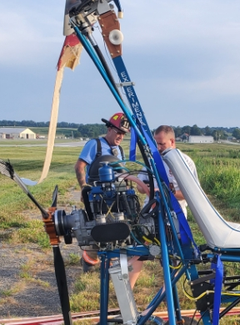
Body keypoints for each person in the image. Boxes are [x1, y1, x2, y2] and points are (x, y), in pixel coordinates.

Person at [126, 125, 198, 288]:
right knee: (140, 251)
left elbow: (190, 192)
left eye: (162, 144)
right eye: (156, 144)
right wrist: (152, 191)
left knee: (172, 256)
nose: (158, 148)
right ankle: (126, 291)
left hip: (175, 215)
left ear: (172, 141)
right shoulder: (152, 160)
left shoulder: (185, 162)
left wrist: (167, 193)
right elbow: (139, 185)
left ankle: (168, 294)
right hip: (150, 213)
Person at [76, 113, 128, 271]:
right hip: (97, 195)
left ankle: (114, 263)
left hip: (116, 196)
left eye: (123, 134)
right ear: (109, 129)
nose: (120, 136)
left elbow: (123, 173)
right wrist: (84, 186)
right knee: (96, 228)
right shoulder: (95, 145)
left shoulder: (119, 150)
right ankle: (90, 263)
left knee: (118, 227)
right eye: (118, 132)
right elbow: (80, 166)